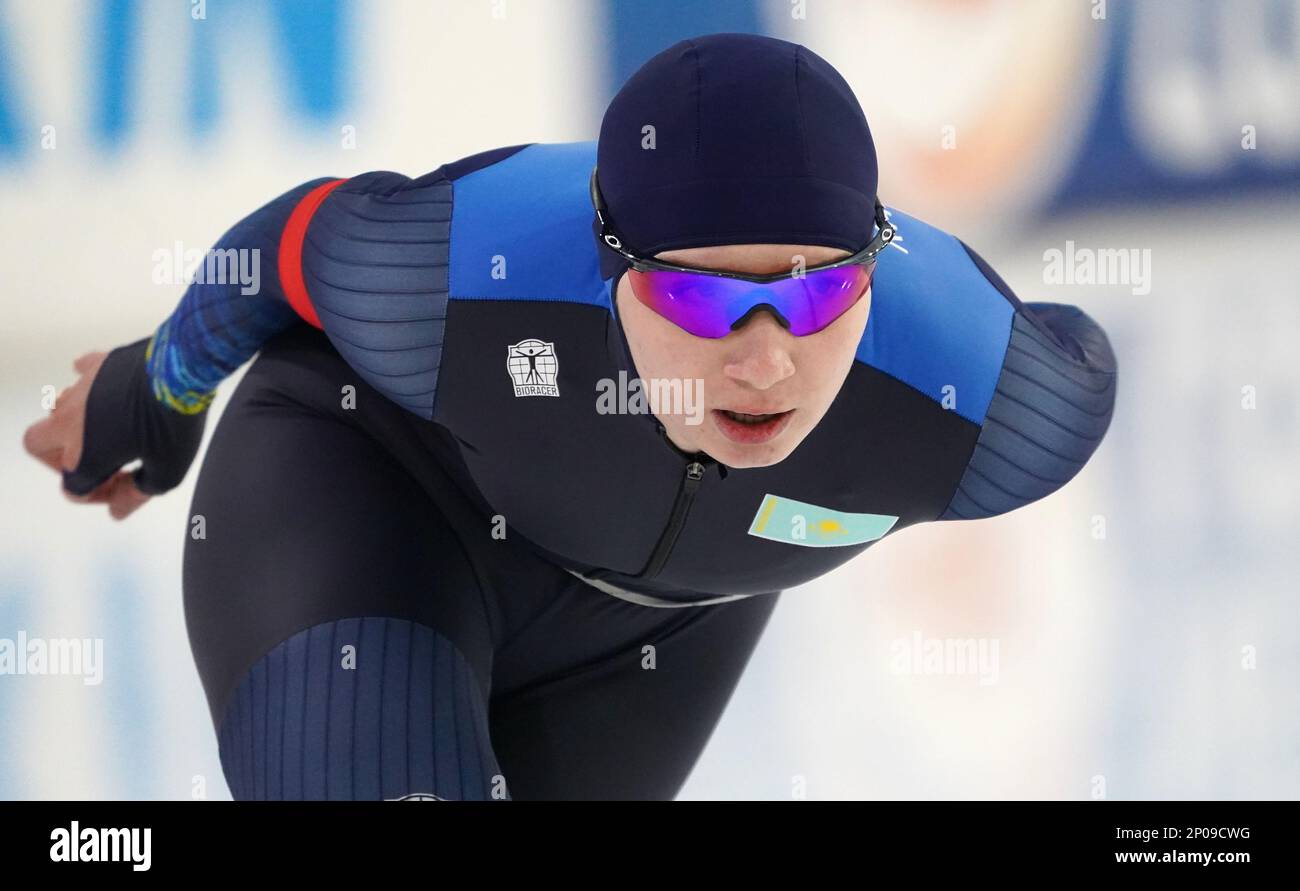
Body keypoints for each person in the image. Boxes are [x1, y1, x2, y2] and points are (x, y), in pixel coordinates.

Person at [21, 33, 1117, 800]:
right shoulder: (459, 277)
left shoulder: (989, 406)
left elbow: (1076, 347)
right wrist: (148, 398)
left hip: (657, 629)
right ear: (608, 267)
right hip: (371, 499)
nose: (766, 362)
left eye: (818, 288)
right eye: (699, 295)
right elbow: (285, 245)